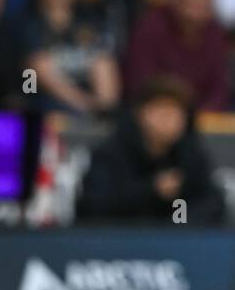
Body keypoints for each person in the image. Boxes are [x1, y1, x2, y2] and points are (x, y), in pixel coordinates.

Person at [78, 76, 224, 224]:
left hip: (175, 236)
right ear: (141, 114)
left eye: (178, 114)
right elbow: (94, 206)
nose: (171, 121)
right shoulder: (111, 154)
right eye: (164, 112)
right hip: (121, 235)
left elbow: (211, 204)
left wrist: (178, 223)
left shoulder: (191, 155)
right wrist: (151, 191)